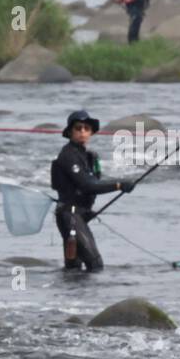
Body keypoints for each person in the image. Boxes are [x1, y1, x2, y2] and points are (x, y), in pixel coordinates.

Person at [50, 110, 136, 273]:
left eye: (86, 128)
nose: (83, 131)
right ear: (70, 132)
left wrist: (87, 210)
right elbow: (87, 185)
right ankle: (88, 295)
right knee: (95, 264)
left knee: (73, 268)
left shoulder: (89, 156)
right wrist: (119, 185)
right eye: (78, 127)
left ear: (91, 131)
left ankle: (71, 296)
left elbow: (94, 184)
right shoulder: (67, 156)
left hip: (81, 215)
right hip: (70, 216)